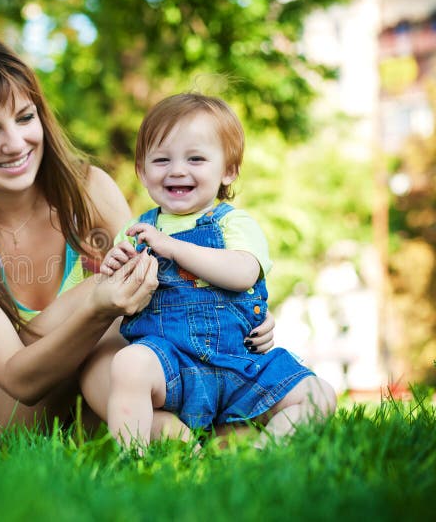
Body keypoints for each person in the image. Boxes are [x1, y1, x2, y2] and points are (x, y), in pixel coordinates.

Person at [0, 35, 276, 435]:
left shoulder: (88, 189)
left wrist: (234, 308)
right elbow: (20, 380)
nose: (15, 143)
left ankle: (183, 443)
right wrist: (97, 304)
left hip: (99, 400)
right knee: (106, 321)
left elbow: (160, 285)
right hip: (2, 419)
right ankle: (184, 443)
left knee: (117, 332)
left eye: (25, 118)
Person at [98, 93, 337, 449]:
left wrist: (172, 247)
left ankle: (263, 457)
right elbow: (121, 305)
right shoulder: (136, 231)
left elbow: (243, 272)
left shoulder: (233, 224)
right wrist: (114, 269)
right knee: (128, 364)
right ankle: (133, 461)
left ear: (228, 170)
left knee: (320, 394)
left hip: (239, 366)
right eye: (161, 160)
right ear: (142, 172)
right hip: (172, 367)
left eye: (195, 159)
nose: (177, 170)